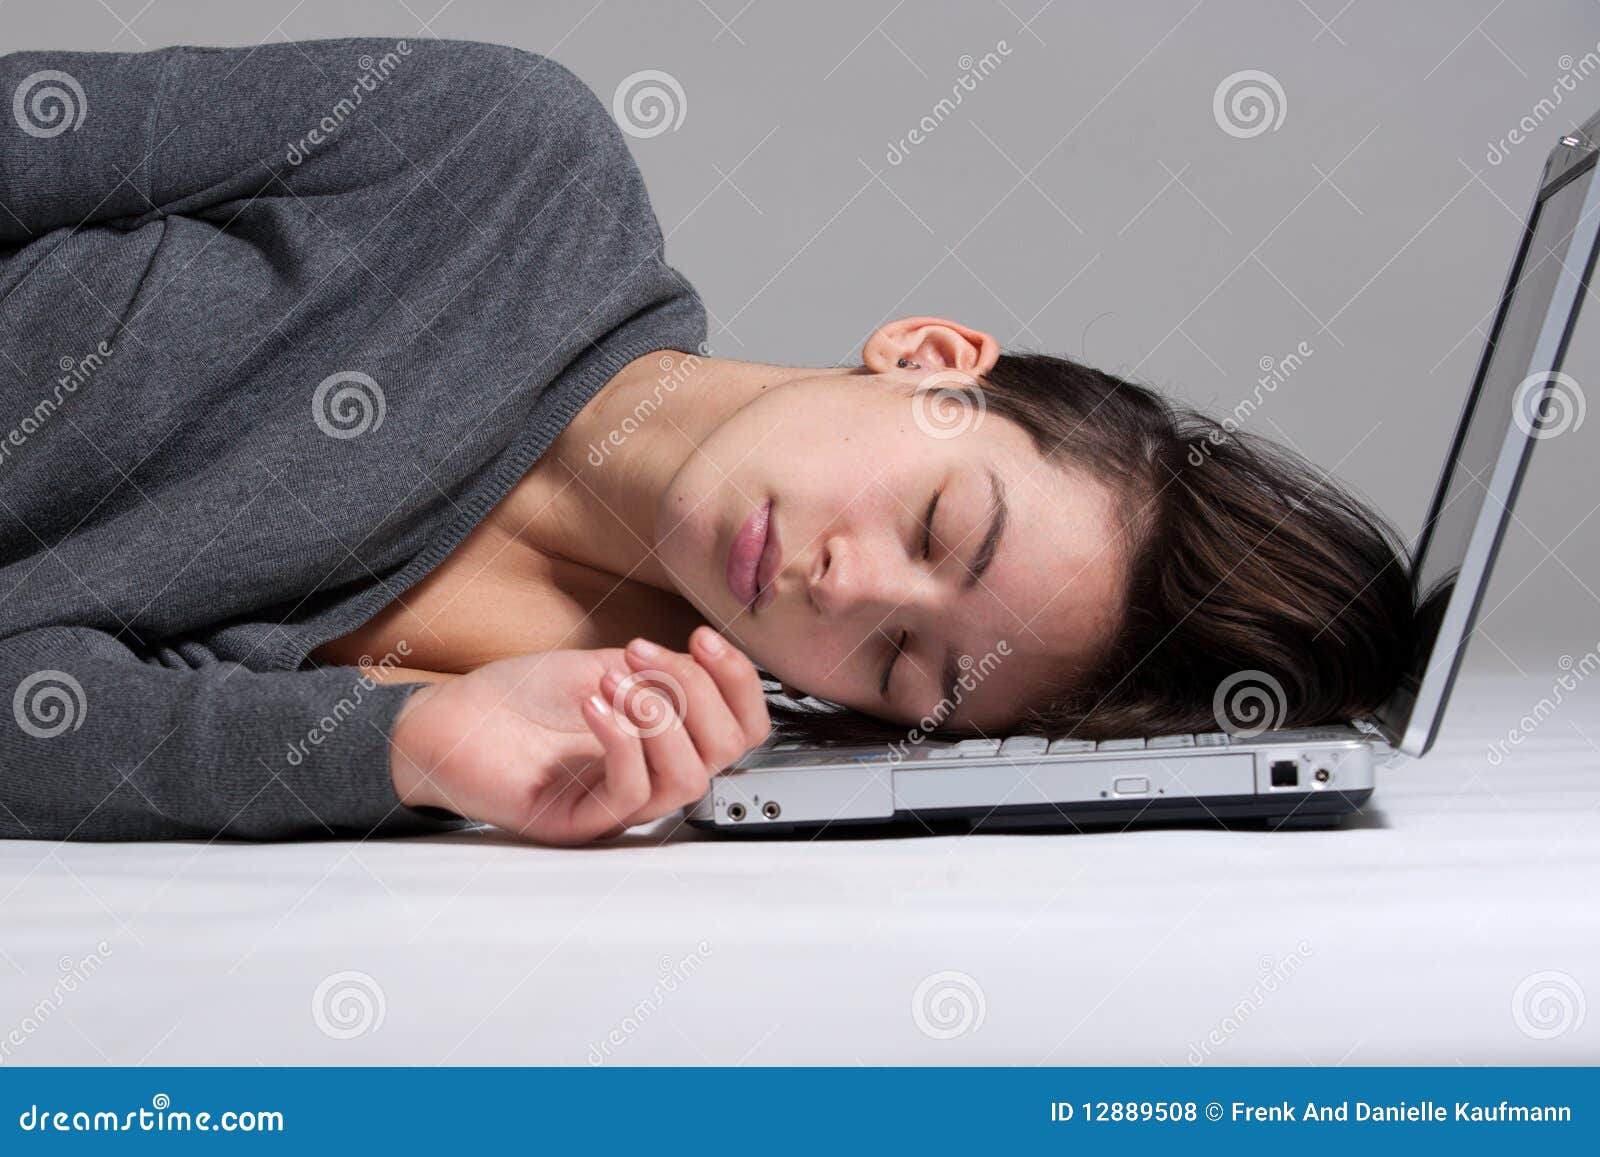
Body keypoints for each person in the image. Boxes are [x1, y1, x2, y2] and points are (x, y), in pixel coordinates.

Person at [0, 39, 1413, 846]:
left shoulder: (557, 717)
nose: (846, 589)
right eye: (934, 526)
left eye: (904, 666)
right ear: (930, 359)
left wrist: (411, 747)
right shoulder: (504, 164)